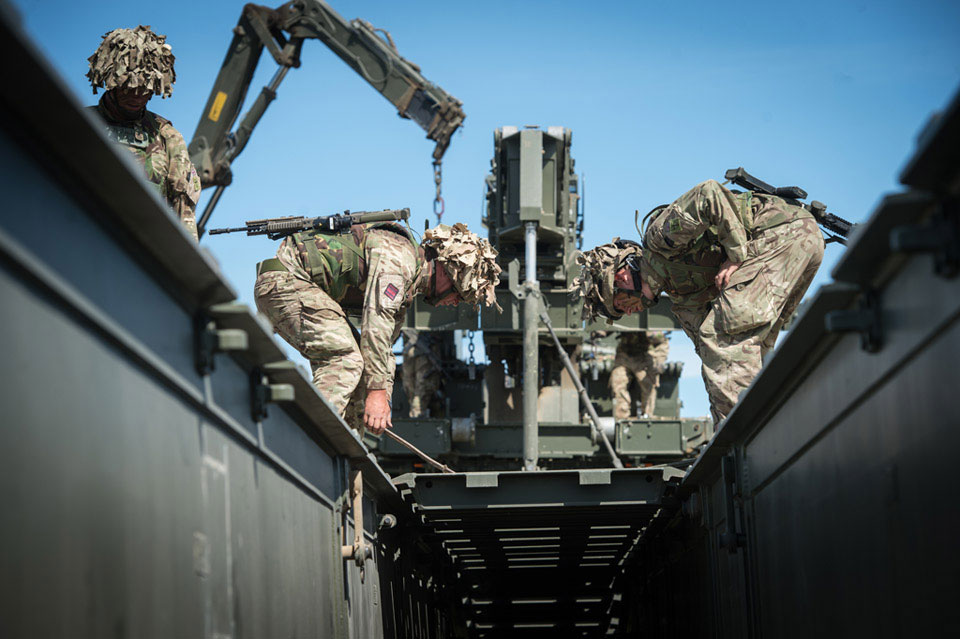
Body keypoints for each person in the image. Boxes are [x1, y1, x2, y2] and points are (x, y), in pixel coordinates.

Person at [576, 179, 824, 423]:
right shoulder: (682, 297)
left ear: (621, 276)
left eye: (620, 303)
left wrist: (736, 254)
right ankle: (761, 422)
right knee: (752, 346)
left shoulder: (659, 239)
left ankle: (745, 429)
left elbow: (709, 193)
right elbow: (713, 360)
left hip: (783, 232)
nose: (628, 312)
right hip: (801, 244)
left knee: (722, 334)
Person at [254, 221, 500, 435]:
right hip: (285, 282)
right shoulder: (399, 259)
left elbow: (384, 351)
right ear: (448, 272)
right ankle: (306, 439)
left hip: (294, 287)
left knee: (362, 374)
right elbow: (375, 327)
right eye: (459, 294)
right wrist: (377, 392)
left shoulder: (408, 285)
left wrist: (382, 400)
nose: (455, 302)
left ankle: (346, 463)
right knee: (346, 359)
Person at [87, 25, 201, 241]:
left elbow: (183, 212)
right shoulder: (81, 124)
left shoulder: (167, 136)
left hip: (147, 251)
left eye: (145, 89)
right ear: (112, 80)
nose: (137, 96)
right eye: (130, 87)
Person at [610, 331, 669, 420]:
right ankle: (621, 418)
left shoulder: (652, 326)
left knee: (649, 384)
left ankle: (646, 415)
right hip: (624, 353)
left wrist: (660, 361)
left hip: (643, 355)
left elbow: (662, 342)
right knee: (618, 383)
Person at [401, 329, 444, 418]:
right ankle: (416, 414)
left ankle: (417, 415)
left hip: (427, 349)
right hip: (410, 350)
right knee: (409, 387)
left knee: (422, 391)